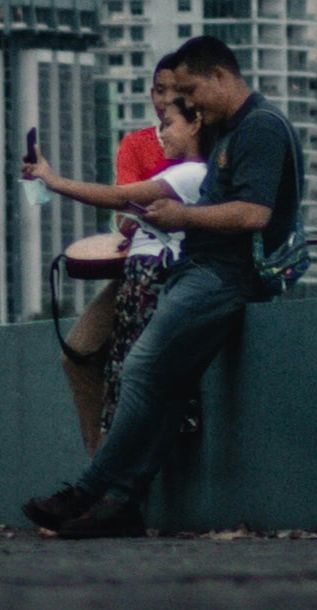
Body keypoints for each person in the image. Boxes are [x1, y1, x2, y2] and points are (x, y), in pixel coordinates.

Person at [24, 35, 301, 541]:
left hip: (222, 275)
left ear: (220, 77)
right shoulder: (230, 129)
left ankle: (89, 491)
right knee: (165, 389)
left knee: (143, 368)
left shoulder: (260, 128)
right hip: (199, 268)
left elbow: (254, 214)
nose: (187, 103)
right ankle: (121, 505)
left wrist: (182, 217)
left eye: (191, 91)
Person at [36, 58, 203, 458]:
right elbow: (122, 210)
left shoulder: (200, 164)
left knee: (138, 379)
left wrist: (54, 180)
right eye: (159, 92)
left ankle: (111, 481)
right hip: (135, 272)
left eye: (175, 95)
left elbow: (122, 199)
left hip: (170, 276)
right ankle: (98, 467)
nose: (165, 104)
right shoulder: (139, 144)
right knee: (79, 354)